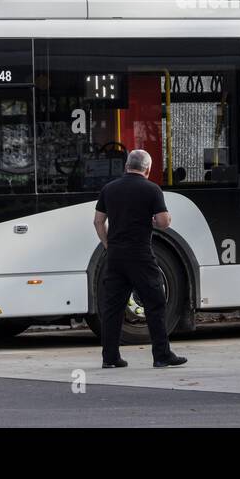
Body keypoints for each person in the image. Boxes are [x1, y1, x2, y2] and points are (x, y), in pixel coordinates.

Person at [93, 149, 188, 369]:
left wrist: (108, 244)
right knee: (155, 302)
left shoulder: (109, 189)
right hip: (140, 255)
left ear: (127, 166)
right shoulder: (151, 189)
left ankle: (110, 357)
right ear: (147, 168)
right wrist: (161, 218)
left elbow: (98, 222)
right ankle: (162, 355)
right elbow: (164, 222)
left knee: (113, 307)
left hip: (115, 256)